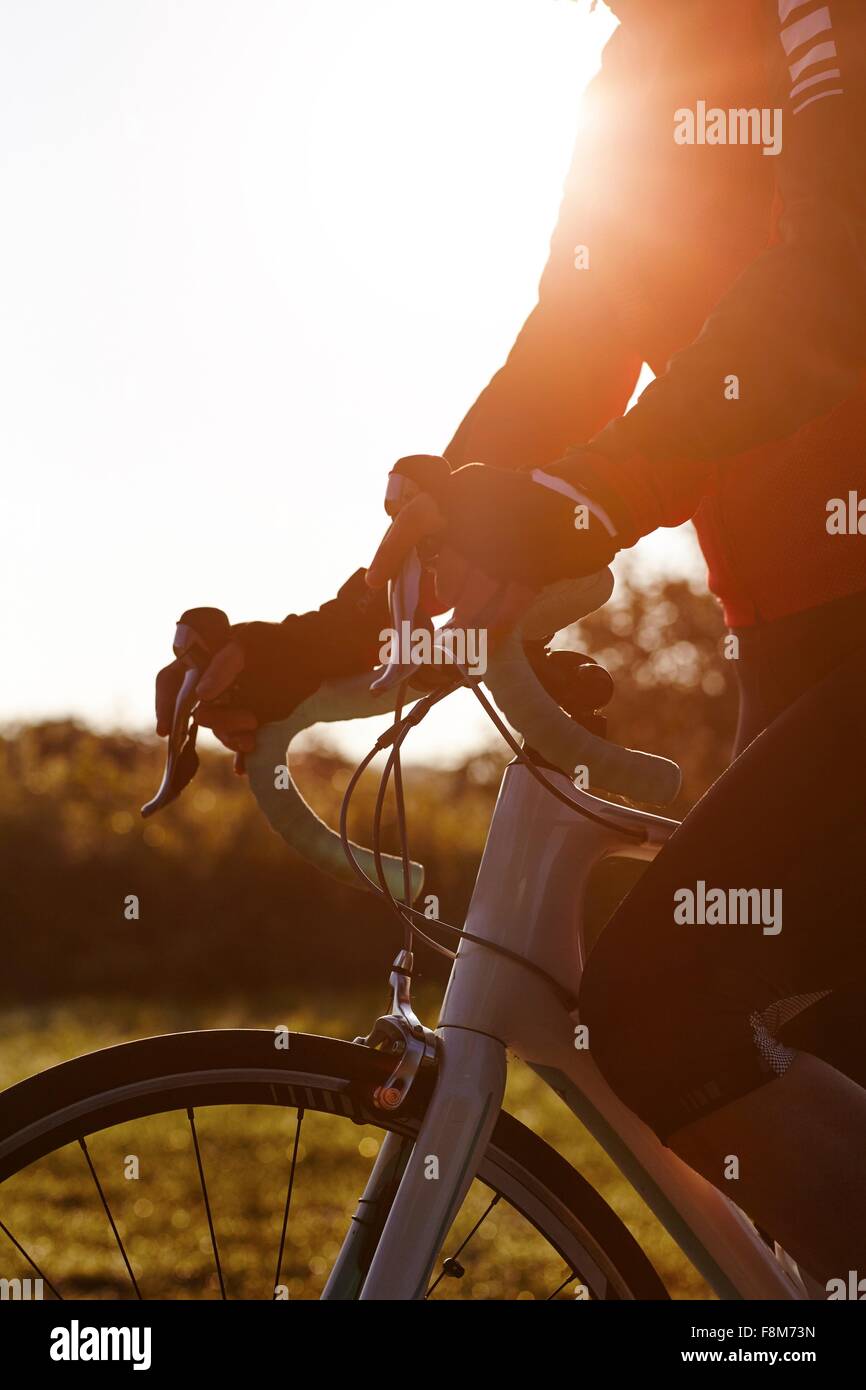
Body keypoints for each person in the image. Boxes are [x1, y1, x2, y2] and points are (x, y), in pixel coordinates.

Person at [157, 0, 866, 1281]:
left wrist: (582, 500)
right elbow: (568, 362)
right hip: (796, 656)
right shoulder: (643, 62)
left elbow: (830, 281)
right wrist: (337, 630)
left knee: (661, 1010)